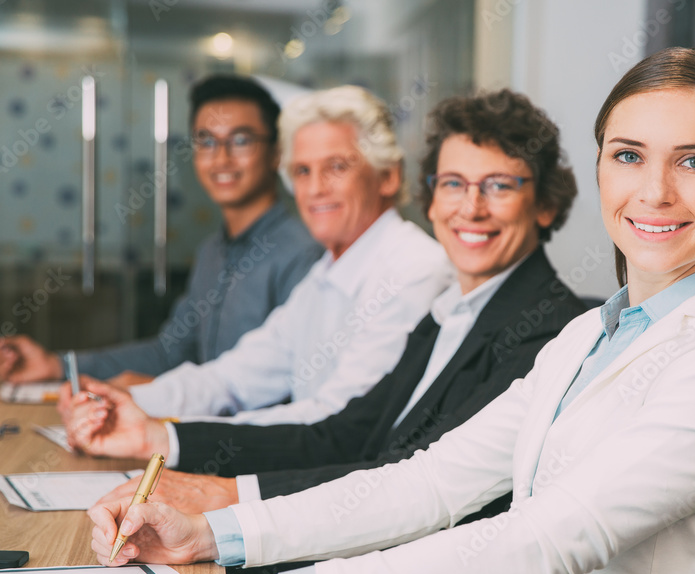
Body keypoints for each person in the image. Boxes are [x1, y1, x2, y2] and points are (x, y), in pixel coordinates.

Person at [60, 47, 695, 574]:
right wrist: (213, 535)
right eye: (629, 155)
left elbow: (535, 546)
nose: (654, 191)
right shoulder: (592, 334)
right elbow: (428, 481)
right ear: (603, 169)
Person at [65, 89, 586, 505]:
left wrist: (224, 495)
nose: (470, 207)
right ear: (431, 198)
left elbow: (401, 478)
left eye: (499, 185)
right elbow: (333, 424)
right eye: (453, 184)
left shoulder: (491, 307)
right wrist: (149, 428)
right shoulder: (444, 308)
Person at [62, 86, 453, 433]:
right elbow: (232, 379)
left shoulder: (414, 270)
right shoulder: (324, 274)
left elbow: (335, 421)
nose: (315, 189)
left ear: (388, 177)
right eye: (302, 171)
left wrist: (170, 436)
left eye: (337, 166)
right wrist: (121, 404)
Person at [0, 75, 323, 388]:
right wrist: (59, 366)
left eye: (240, 140)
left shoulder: (303, 253)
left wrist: (165, 394)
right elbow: (169, 353)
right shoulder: (213, 252)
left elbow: (292, 385)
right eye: (206, 141)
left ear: (277, 153)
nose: (221, 158)